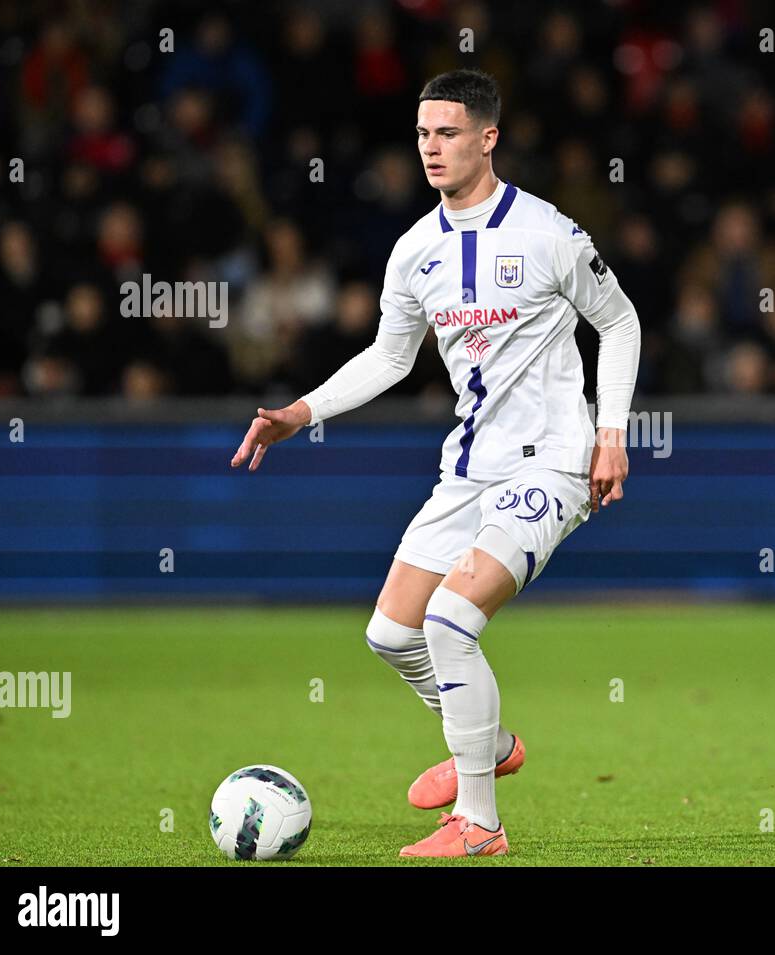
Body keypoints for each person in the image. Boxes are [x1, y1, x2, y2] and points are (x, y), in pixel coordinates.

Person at [231, 69, 641, 856]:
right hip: (469, 466)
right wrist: (300, 412)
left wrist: (612, 433)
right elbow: (388, 358)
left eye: (448, 132)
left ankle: (480, 823)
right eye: (423, 134)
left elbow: (619, 325)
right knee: (390, 632)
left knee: (451, 619)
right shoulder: (414, 248)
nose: (431, 147)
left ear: (489, 137)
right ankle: (484, 745)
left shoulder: (549, 232)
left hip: (552, 462)